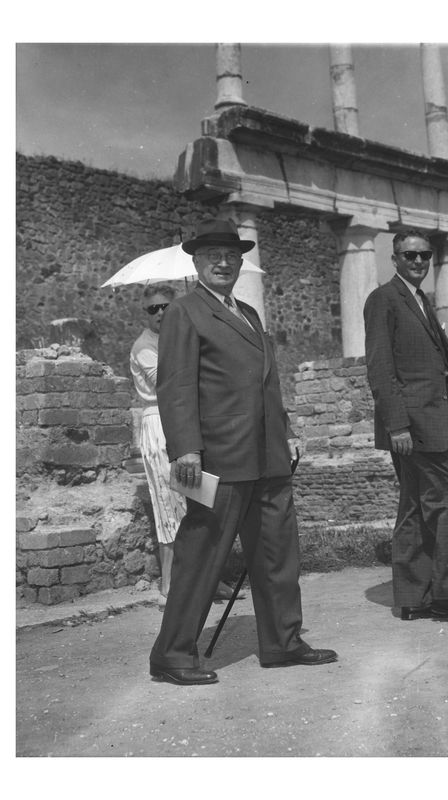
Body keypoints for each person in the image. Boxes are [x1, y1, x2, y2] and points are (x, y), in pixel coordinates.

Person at [149, 218, 337, 685]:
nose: (223, 261)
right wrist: (186, 450)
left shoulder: (249, 313)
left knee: (277, 553)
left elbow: (267, 383)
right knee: (202, 554)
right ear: (195, 261)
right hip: (217, 457)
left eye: (231, 255)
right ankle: (172, 654)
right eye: (213, 254)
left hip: (269, 456)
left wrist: (286, 432)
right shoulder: (185, 312)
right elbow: (175, 388)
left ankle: (282, 642)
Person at [363, 229, 448, 621]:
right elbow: (381, 368)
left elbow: (443, 362)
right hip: (415, 425)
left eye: (424, 255)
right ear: (395, 259)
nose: (418, 262)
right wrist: (398, 426)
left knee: (417, 508)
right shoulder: (384, 299)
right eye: (409, 256)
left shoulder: (420, 301)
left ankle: (413, 596)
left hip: (433, 419)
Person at [130, 283, 237, 611]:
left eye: (166, 307)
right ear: (145, 314)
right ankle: (169, 586)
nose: (161, 313)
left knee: (200, 500)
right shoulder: (144, 347)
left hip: (189, 422)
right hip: (161, 424)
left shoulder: (180, 336)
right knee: (171, 503)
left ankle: (208, 576)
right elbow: (171, 380)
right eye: (153, 309)